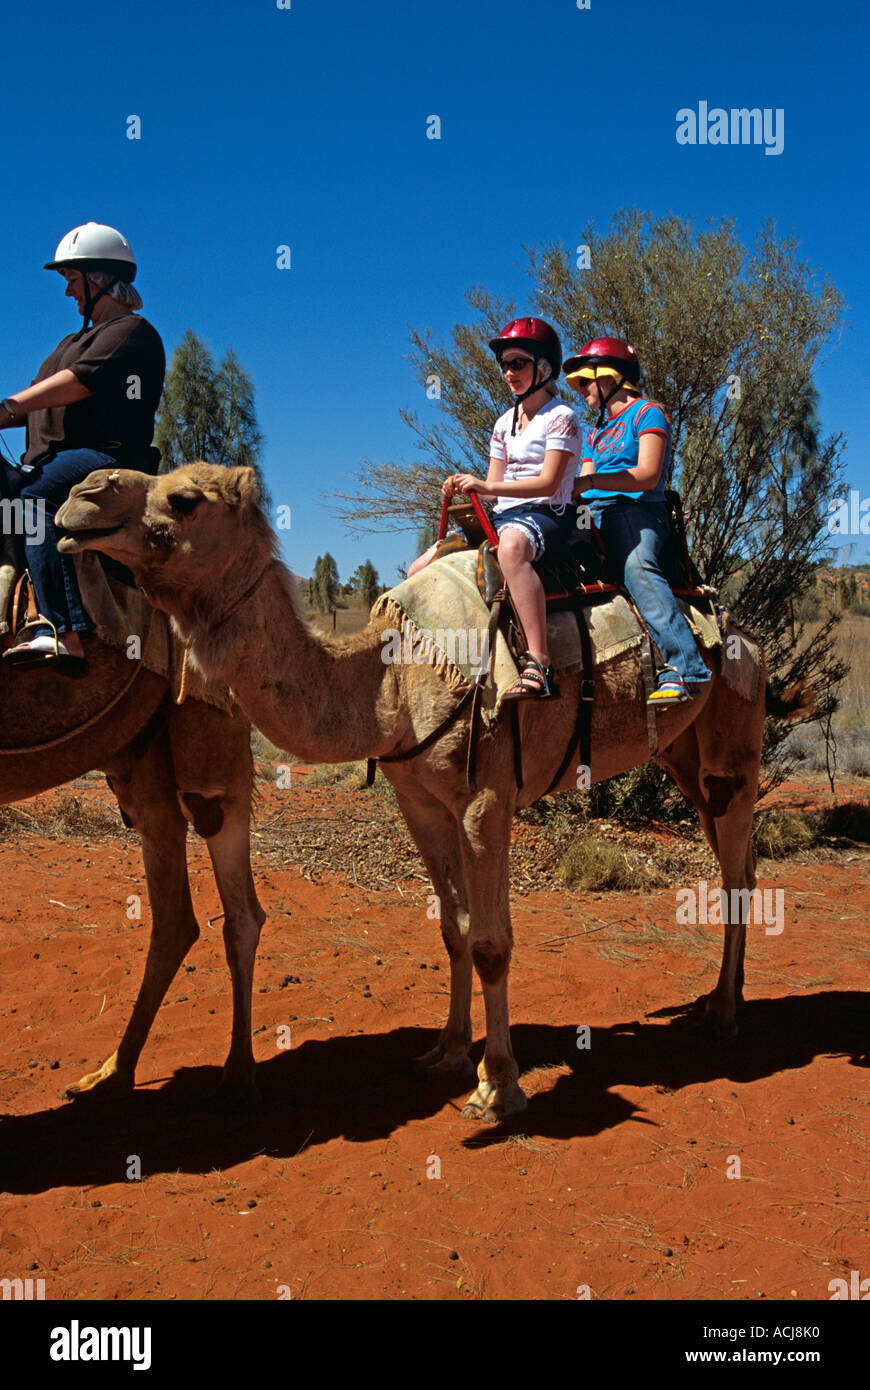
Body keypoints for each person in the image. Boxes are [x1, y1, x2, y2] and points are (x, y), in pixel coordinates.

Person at [0, 222, 165, 673]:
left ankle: (62, 631)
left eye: (73, 280)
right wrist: (8, 412)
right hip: (51, 461)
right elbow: (29, 407)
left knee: (33, 498)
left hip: (107, 459)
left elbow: (75, 385)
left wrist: (6, 405)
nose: (69, 293)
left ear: (97, 279)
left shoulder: (132, 333)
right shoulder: (67, 344)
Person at [408, 316, 582, 699]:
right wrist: (464, 484)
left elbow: (550, 483)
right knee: (419, 566)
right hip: (505, 515)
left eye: (517, 363)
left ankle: (539, 662)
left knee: (512, 550)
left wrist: (485, 485)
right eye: (504, 364)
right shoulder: (503, 423)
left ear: (544, 367)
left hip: (547, 514)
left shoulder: (562, 417)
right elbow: (492, 489)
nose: (508, 372)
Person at [564, 336, 711, 704]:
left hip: (638, 510)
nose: (582, 391)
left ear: (609, 378)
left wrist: (590, 482)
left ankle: (684, 667)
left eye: (586, 382)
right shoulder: (594, 435)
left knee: (638, 566)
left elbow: (646, 474)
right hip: (591, 514)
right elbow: (581, 485)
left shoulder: (648, 414)